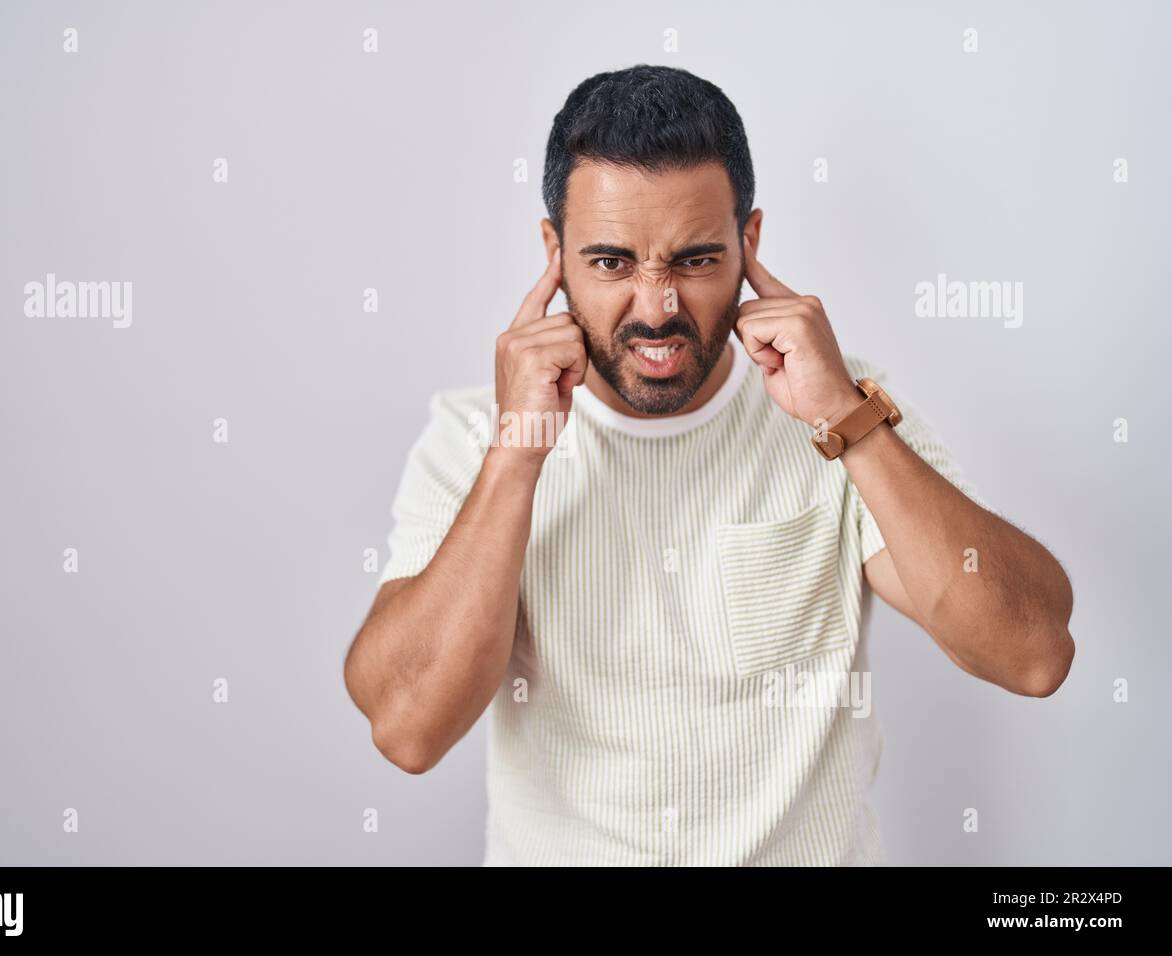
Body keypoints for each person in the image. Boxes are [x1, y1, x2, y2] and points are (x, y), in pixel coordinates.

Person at [343, 64, 1075, 866]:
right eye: (612, 262)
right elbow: (408, 729)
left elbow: (1033, 652)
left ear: (747, 244)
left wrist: (849, 422)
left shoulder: (845, 412)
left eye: (693, 261)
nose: (656, 309)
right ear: (552, 251)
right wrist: (518, 454)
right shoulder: (473, 434)